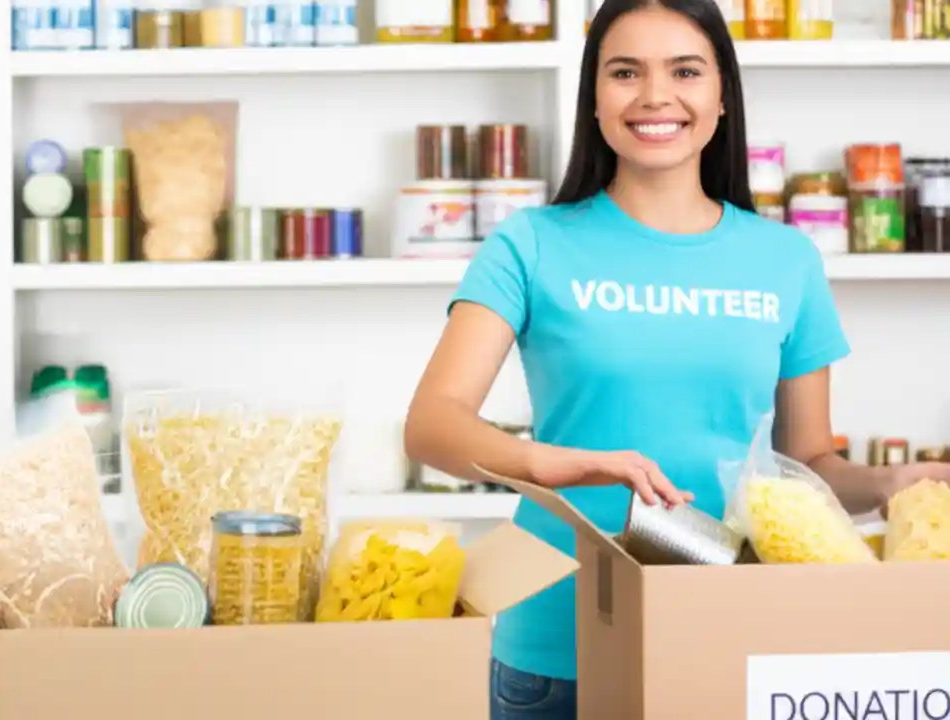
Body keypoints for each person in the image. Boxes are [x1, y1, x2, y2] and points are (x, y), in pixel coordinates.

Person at [403, 0, 950, 718]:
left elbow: (811, 466)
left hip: (727, 633)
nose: (655, 96)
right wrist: (554, 461)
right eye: (625, 71)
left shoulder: (785, 259)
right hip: (558, 646)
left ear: (722, 95)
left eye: (685, 71)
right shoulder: (531, 243)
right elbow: (432, 427)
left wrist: (896, 482)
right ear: (593, 97)